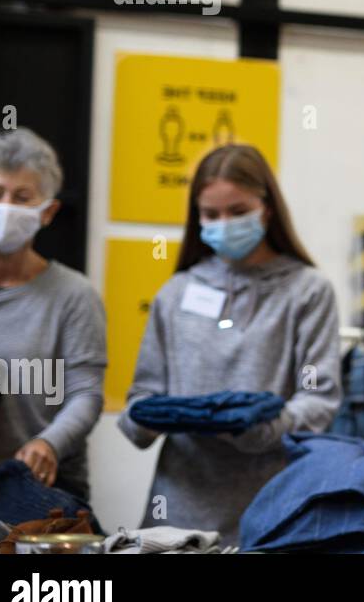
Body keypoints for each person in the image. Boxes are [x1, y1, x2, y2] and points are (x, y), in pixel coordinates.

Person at [117, 144, 341, 543]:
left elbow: (318, 400)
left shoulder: (308, 291)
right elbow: (143, 394)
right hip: (176, 509)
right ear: (196, 218)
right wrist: (143, 418)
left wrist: (260, 429)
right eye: (211, 215)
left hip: (271, 509)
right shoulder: (176, 292)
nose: (224, 224)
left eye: (238, 212)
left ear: (267, 208)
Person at [0, 128, 106, 500]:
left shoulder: (74, 295)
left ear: (48, 211)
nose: (6, 206)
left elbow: (86, 394)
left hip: (39, 487)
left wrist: (49, 443)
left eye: (22, 197)